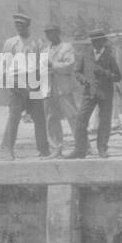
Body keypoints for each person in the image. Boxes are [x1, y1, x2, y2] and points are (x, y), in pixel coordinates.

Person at [65, 28, 122, 158]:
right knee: (80, 119)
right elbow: (77, 71)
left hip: (105, 94)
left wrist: (104, 72)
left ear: (104, 41)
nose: (96, 43)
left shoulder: (110, 57)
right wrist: (82, 79)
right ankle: (80, 150)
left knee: (105, 122)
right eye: (94, 41)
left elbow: (118, 77)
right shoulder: (85, 55)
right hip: (89, 93)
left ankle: (102, 148)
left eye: (99, 41)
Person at [1, 12, 52, 159]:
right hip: (17, 82)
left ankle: (43, 149)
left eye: (22, 25)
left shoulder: (38, 42)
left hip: (34, 81)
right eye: (17, 25)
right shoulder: (10, 43)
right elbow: (5, 65)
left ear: (28, 26)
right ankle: (8, 149)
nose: (19, 28)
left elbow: (43, 64)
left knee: (39, 117)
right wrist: (10, 83)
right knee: (14, 116)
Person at [43, 23, 80, 157]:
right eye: (47, 33)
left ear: (58, 32)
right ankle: (56, 148)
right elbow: (41, 68)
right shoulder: (45, 50)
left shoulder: (67, 47)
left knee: (73, 116)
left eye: (51, 32)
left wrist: (52, 65)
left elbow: (69, 66)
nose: (49, 35)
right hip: (49, 87)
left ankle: (82, 145)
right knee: (52, 118)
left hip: (63, 88)